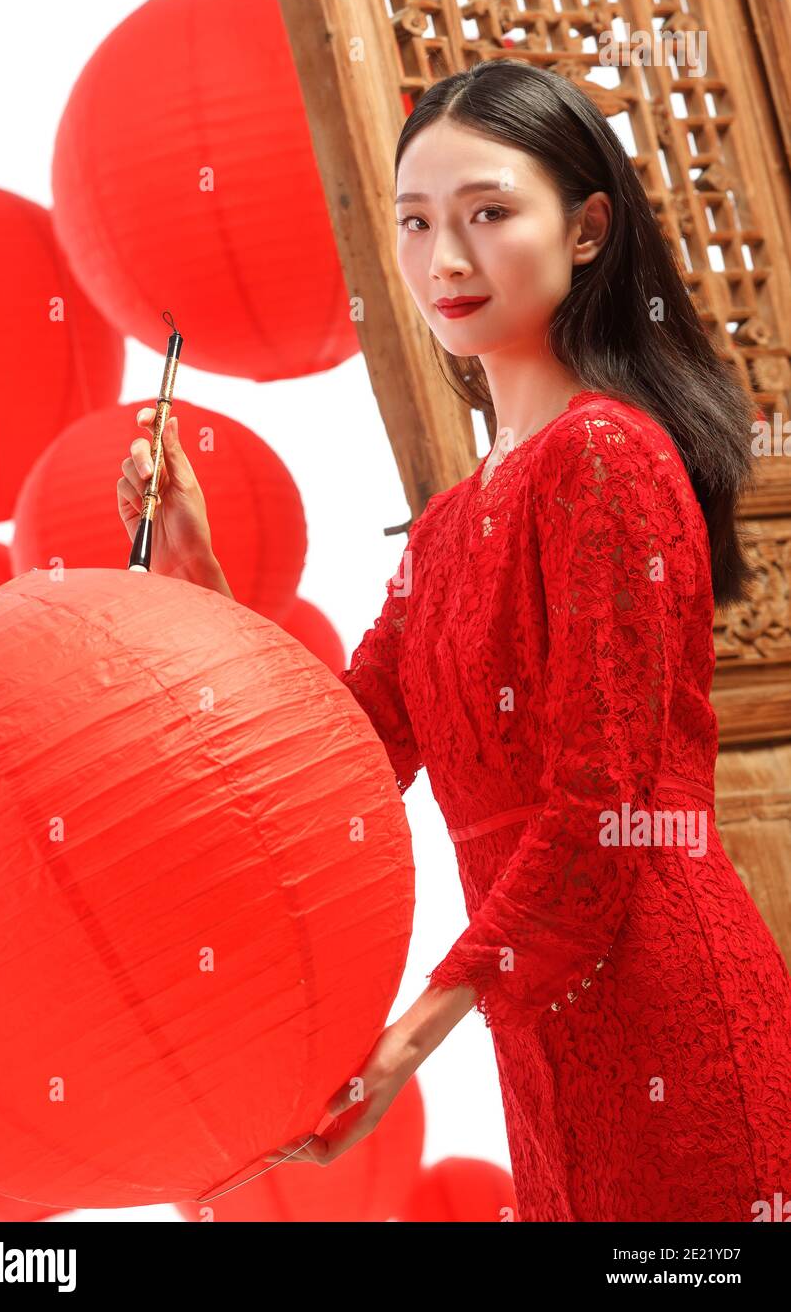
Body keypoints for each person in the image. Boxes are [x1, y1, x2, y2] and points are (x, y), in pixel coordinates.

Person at [118, 60, 791, 1222]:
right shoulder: (448, 523)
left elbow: (598, 813)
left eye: (488, 213)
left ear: (586, 228)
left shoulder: (606, 458)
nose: (446, 260)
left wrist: (404, 1039)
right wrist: (195, 568)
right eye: (416, 222)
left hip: (664, 1010)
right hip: (537, 1029)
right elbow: (346, 759)